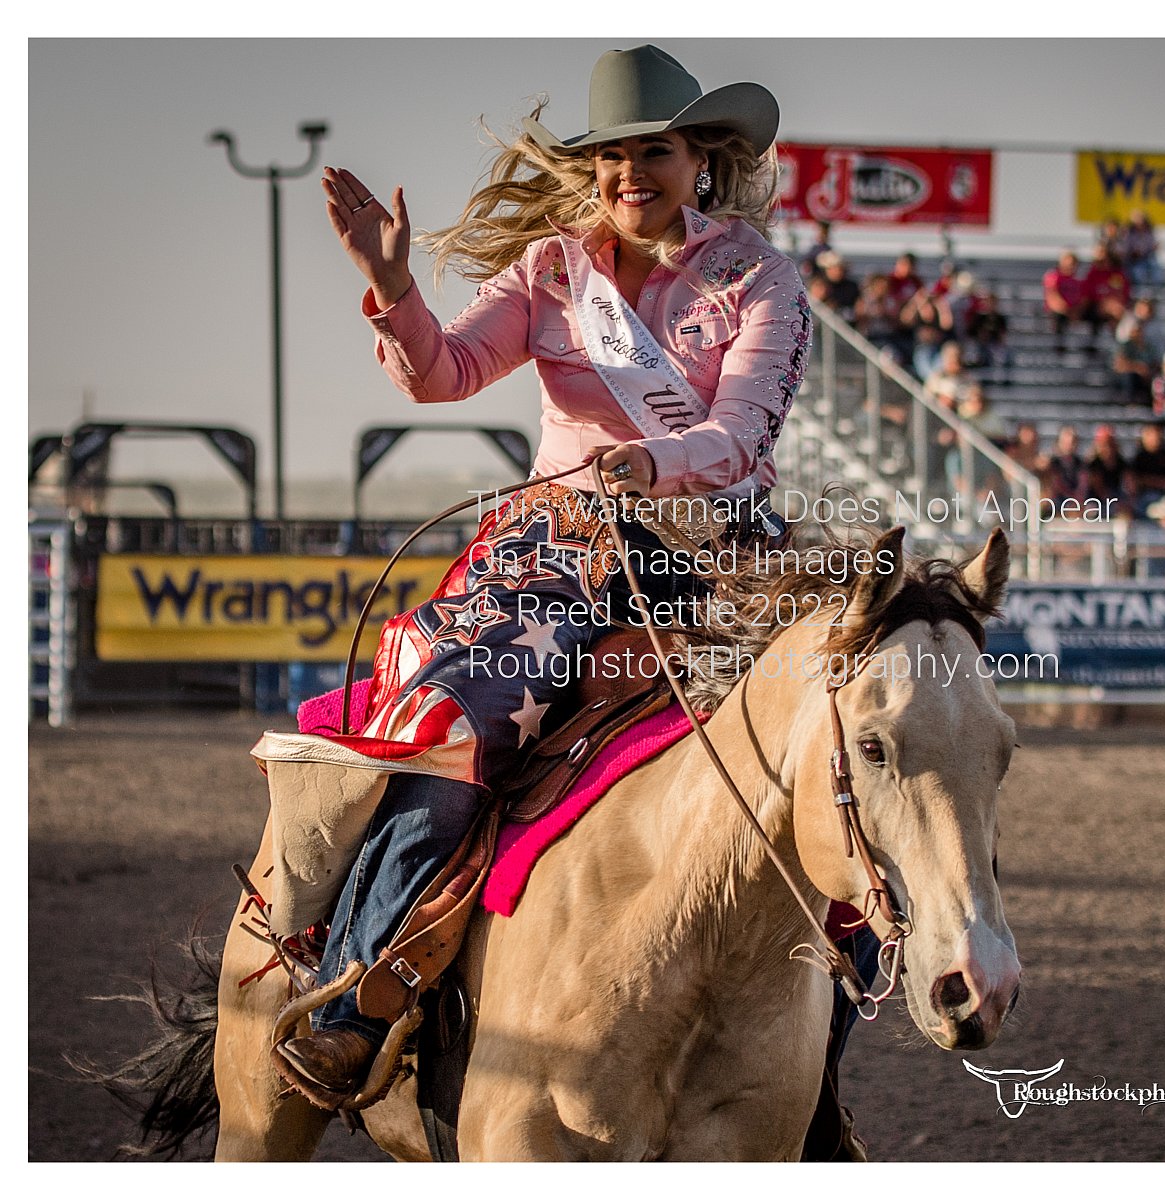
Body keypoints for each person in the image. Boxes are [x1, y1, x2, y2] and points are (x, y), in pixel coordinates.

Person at [277, 45, 811, 1094]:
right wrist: (392, 288)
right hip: (555, 550)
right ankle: (354, 996)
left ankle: (824, 1057)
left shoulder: (759, 276)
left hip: (713, 557)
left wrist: (654, 459)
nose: (628, 176)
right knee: (456, 720)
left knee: (848, 736)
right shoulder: (551, 269)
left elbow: (744, 434)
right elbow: (445, 372)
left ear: (699, 156)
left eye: (651, 151)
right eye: (611, 156)